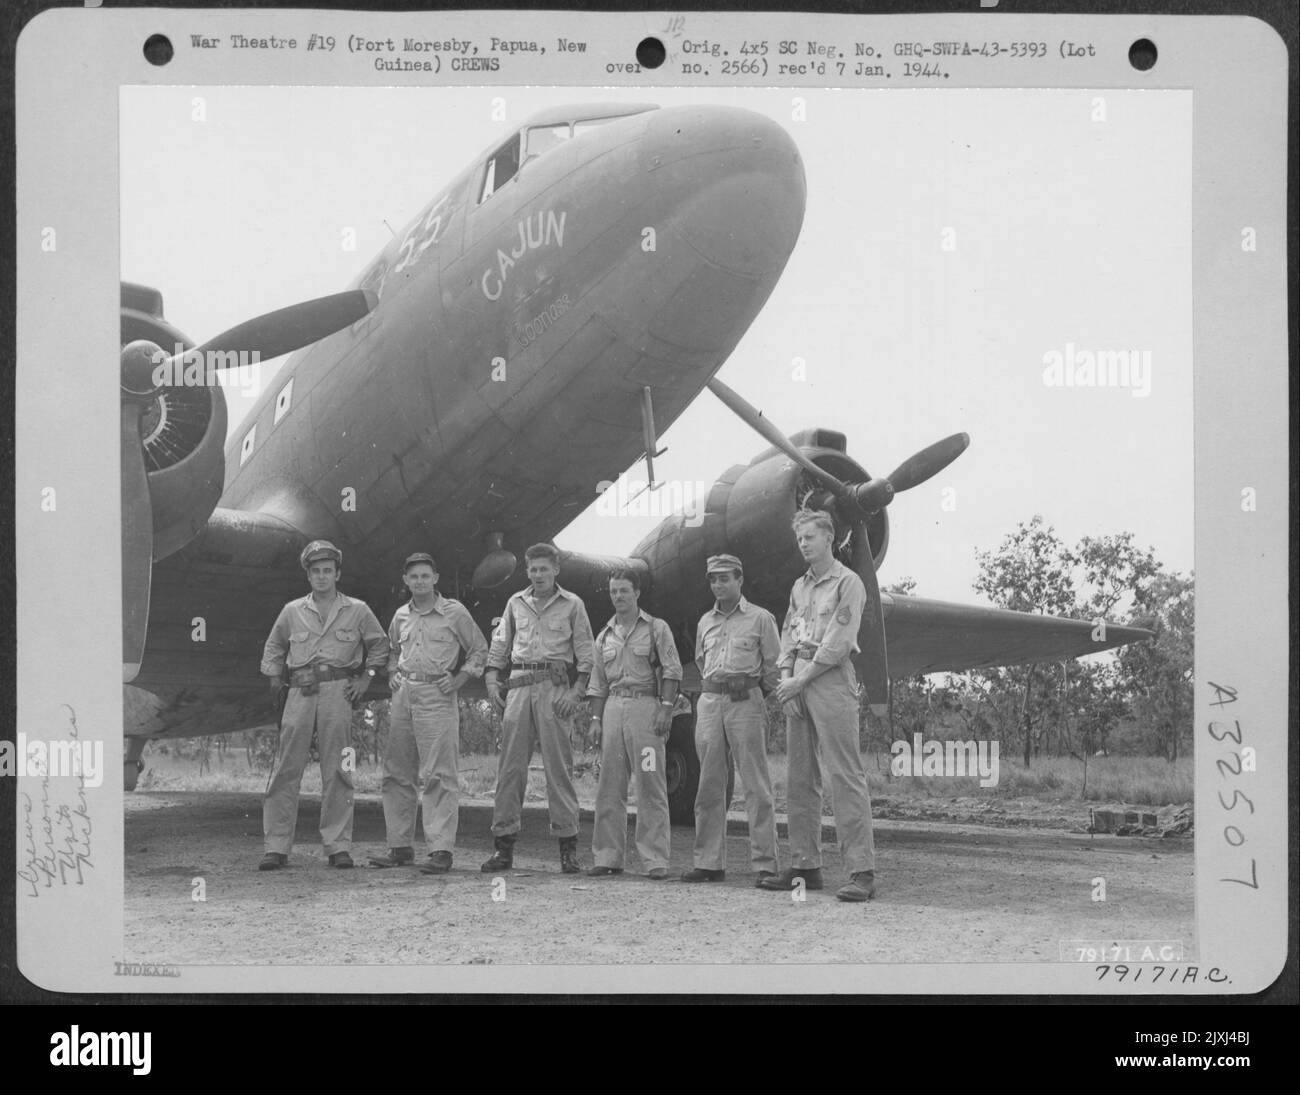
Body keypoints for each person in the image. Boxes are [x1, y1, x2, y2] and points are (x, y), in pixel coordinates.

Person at [760, 509, 877, 902]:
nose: (803, 545)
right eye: (799, 539)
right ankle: (805, 864)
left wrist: (800, 680)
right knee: (799, 777)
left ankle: (861, 871)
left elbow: (839, 641)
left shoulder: (848, 583)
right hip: (799, 682)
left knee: (844, 775)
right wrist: (787, 680)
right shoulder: (799, 587)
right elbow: (789, 633)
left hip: (829, 680)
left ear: (829, 537)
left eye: (810, 537)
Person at [259, 540, 389, 870]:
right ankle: (276, 846)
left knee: (339, 768)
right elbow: (274, 645)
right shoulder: (292, 611)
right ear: (308, 575)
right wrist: (275, 678)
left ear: (337, 573)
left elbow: (380, 645)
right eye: (315, 571)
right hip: (299, 691)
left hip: (338, 691)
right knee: (288, 766)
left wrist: (366, 678)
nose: (321, 577)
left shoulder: (357, 609)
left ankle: (337, 846)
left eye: (327, 571)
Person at [370, 553, 488, 874]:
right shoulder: (400, 615)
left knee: (439, 773)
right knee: (397, 771)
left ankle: (440, 850)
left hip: (438, 693)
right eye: (414, 577)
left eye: (425, 575)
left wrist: (461, 678)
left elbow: (479, 649)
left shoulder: (454, 612)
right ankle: (399, 846)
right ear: (406, 581)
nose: (420, 581)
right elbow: (393, 650)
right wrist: (393, 671)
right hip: (404, 693)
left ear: (436, 578)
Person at [482, 543, 596, 874]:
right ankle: (503, 848)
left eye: (544, 569)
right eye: (533, 569)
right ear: (527, 571)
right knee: (510, 770)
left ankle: (567, 849)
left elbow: (586, 654)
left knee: (558, 770)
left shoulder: (573, 604)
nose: (538, 575)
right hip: (518, 685)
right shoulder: (515, 603)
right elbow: (501, 643)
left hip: (554, 688)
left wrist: (576, 692)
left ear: (556, 570)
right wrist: (492, 678)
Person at [682, 554, 781, 885]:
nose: (718, 584)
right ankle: (709, 863)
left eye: (725, 578)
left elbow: (773, 667)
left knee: (756, 784)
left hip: (745, 702)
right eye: (713, 579)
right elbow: (700, 659)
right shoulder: (704, 622)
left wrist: (752, 697)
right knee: (709, 784)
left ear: (740, 580)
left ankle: (765, 863)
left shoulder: (761, 619)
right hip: (710, 702)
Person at [585, 569, 683, 880]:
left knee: (650, 783)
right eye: (614, 591)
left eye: (624, 590)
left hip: (645, 709)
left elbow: (672, 671)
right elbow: (598, 684)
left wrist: (666, 710)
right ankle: (607, 856)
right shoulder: (604, 636)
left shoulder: (656, 629)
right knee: (609, 786)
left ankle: (655, 860)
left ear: (637, 593)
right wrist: (596, 720)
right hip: (613, 708)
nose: (618, 597)